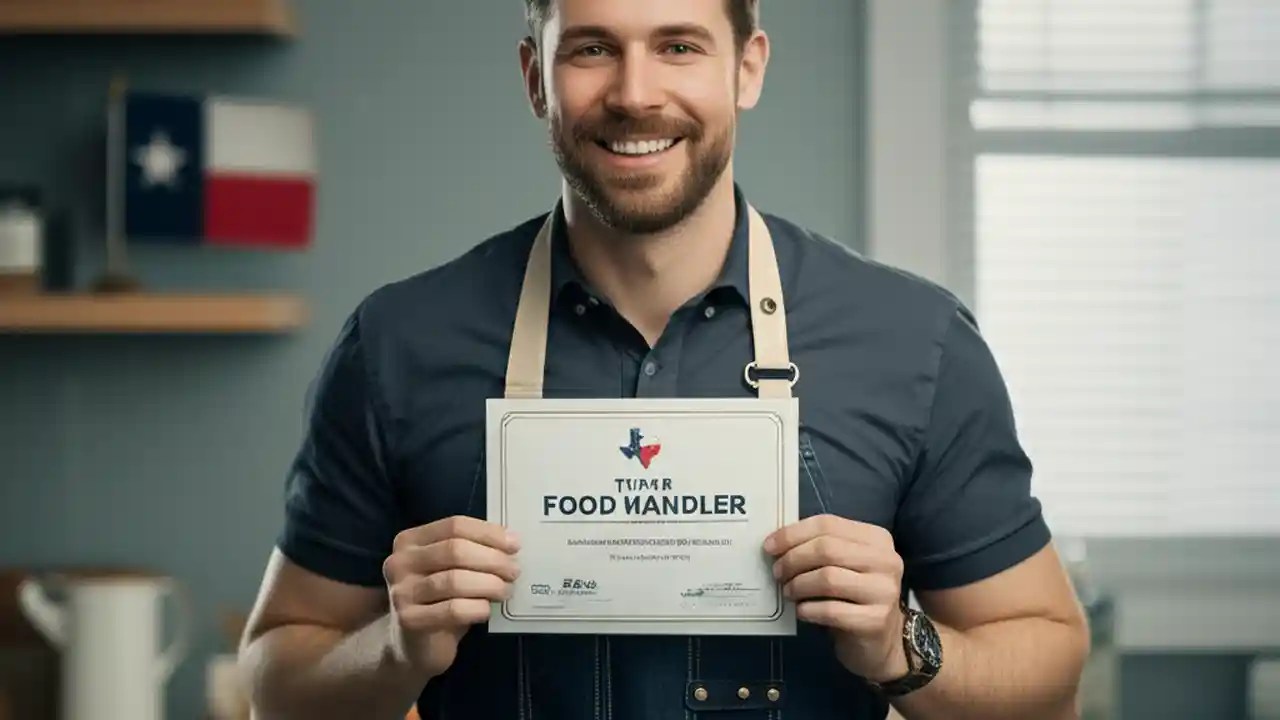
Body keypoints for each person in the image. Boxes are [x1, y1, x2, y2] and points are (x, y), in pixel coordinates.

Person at [238, 0, 1090, 718]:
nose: (635, 95)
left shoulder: (915, 338)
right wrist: (396, 647)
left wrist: (901, 645)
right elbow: (275, 674)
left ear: (746, 68)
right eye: (592, 49)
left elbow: (1048, 662)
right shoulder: (398, 343)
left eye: (678, 46)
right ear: (536, 75)